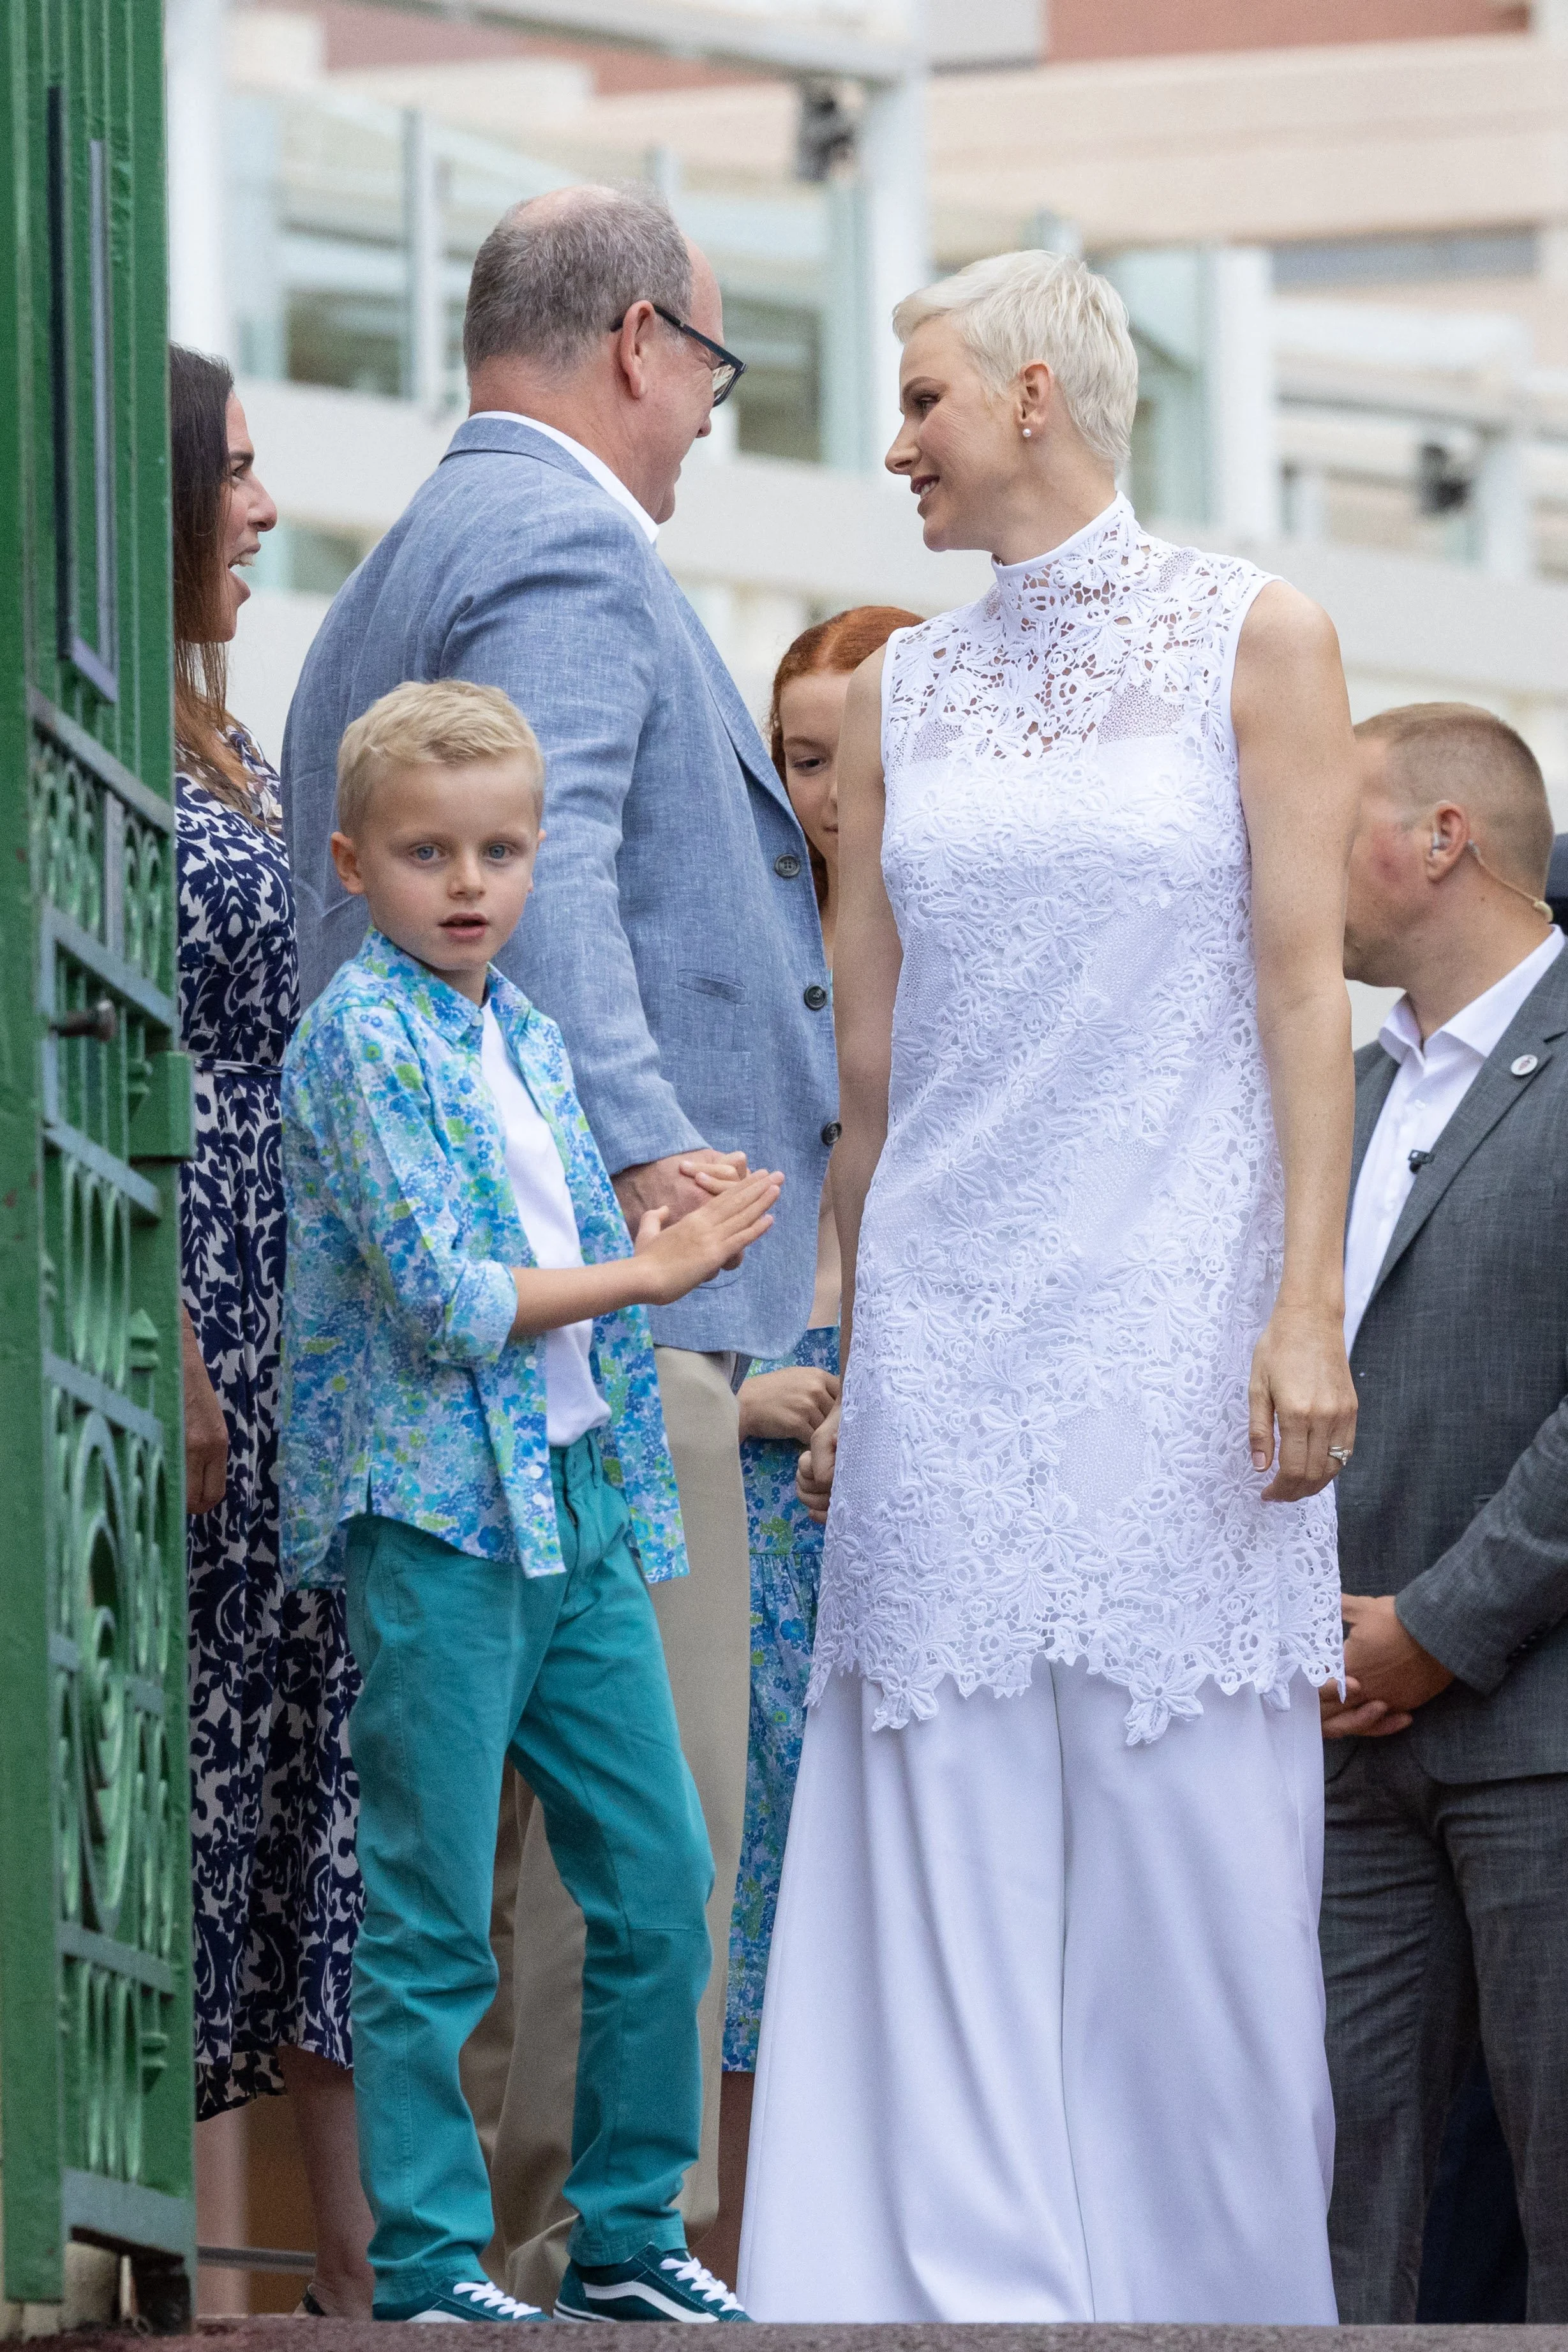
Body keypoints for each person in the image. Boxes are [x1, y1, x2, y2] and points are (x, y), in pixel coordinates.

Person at [739, 248, 1359, 2323]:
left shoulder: (1256, 635)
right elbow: (868, 1066)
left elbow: (1297, 989)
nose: (890, 440)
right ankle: (957, 2295)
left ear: (1028, 395)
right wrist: (842, 1333)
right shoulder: (899, 689)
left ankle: (1204, 2294)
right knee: (944, 1820)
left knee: (1183, 1837)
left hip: (1179, 1310)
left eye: (915, 399)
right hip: (947, 1320)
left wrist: (1303, 1306)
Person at [280, 184, 836, 2304]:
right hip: (556, 1344)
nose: (701, 419)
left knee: (554, 1859)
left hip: (497, 1356)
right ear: (633, 345)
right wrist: (653, 1178)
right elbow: (563, 868)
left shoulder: (416, 545)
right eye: (707, 370)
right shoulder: (571, 547)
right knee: (602, 1857)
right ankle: (559, 2255)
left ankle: (532, 2250)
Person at [278, 678, 781, 2324]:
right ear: (355, 865)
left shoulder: (524, 1030)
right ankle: (427, 2265)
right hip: (433, 1515)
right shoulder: (357, 1037)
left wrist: (659, 1191)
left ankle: (627, 2237)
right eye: (429, 853)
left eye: (501, 848)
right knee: (434, 1908)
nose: (471, 883)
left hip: (569, 1497)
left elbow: (547, 1223)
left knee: (658, 1873)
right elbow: (446, 1297)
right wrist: (657, 1269)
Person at [1320, 701, 1568, 2323]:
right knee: (1343, 2210)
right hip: (1337, 1742)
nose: (1294, 863)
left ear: (1442, 838)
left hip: (1535, 1727)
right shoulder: (1334, 1089)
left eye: (1328, 820)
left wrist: (1436, 1629)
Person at [168, 344, 371, 2318]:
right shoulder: (70, 734)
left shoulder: (230, 733)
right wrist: (171, 1339)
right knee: (189, 1797)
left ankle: (360, 2291)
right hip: (199, 1324)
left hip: (309, 1328)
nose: (263, 505)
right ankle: (178, 2282)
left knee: (321, 1808)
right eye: (235, 470)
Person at [708, 606, 920, 2289]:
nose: (828, 795)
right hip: (758, 1421)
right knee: (735, 1840)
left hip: (922, 1422)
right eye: (799, 756)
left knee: (910, 1837)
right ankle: (751, 2250)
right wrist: (751, 1380)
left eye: (855, 754)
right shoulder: (743, 934)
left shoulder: (972, 936)